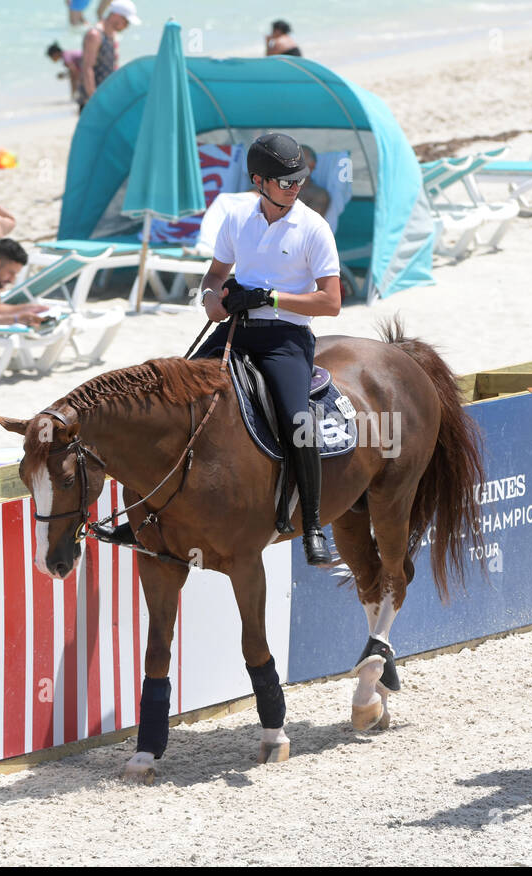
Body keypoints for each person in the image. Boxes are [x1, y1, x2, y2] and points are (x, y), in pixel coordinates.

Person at [188, 133, 342, 565]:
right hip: (239, 327)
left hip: (285, 339)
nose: (295, 187)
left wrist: (271, 297)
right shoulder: (237, 218)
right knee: (179, 395)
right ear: (260, 181)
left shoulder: (313, 227)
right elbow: (214, 275)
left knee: (297, 420)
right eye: (285, 181)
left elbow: (331, 302)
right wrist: (212, 301)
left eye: (299, 179)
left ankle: (312, 524)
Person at [78, 1, 139, 111]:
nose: (127, 26)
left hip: (106, 98)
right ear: (116, 15)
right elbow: (87, 68)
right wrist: (94, 100)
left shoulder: (112, 36)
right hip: (93, 102)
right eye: (126, 22)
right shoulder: (95, 35)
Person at [297, 145, 331, 219]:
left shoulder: (319, 195)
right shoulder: (276, 187)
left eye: (300, 160)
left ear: (312, 165)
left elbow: (307, 225)